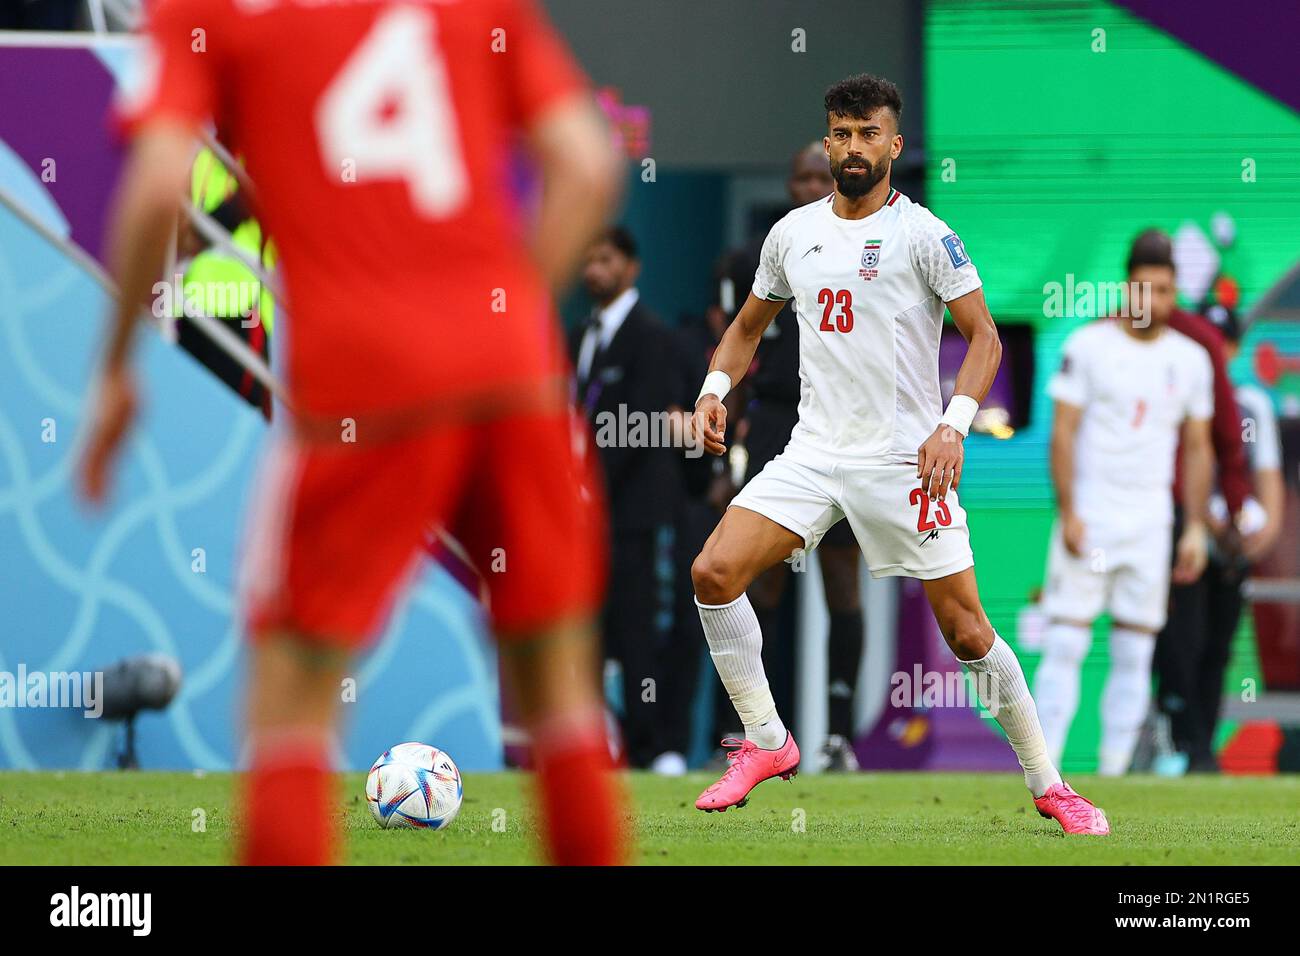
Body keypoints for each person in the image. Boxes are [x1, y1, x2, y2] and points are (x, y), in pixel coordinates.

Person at [79, 0, 624, 865]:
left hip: (362, 383)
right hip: (515, 377)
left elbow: (156, 187)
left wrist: (113, 368)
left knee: (291, 705)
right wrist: (505, 313)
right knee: (558, 696)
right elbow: (589, 165)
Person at [688, 73, 1108, 834]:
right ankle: (768, 740)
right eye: (841, 133)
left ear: (894, 143)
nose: (852, 147)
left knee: (968, 632)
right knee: (713, 574)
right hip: (813, 452)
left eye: (867, 133)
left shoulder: (925, 235)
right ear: (828, 139)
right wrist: (716, 385)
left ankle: (1050, 784)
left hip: (903, 460)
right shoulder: (793, 234)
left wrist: (953, 424)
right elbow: (749, 326)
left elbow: (983, 336)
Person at [1033, 231, 1215, 776]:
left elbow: (1200, 447)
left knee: (1137, 650)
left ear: (1175, 292)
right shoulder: (1089, 346)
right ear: (1127, 287)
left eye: (1164, 291)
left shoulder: (1191, 359)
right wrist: (1068, 510)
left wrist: (1195, 529)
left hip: (1151, 524)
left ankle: (1113, 772)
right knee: (1066, 640)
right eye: (1145, 288)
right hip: (1091, 517)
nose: (1154, 301)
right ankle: (1044, 772)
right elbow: (1063, 433)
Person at [718, 142, 865, 772]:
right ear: (788, 181)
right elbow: (737, 339)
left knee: (841, 583)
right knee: (757, 581)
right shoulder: (765, 252)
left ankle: (836, 737)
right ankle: (754, 730)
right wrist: (726, 436)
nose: (808, 185)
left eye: (817, 174)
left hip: (847, 427)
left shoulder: (866, 248)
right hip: (779, 424)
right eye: (799, 175)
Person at [572, 225, 686, 769]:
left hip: (633, 512)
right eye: (589, 259)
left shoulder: (652, 337)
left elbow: (638, 425)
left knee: (637, 629)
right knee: (582, 631)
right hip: (579, 516)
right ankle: (593, 746)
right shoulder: (577, 337)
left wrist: (586, 480)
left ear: (631, 267)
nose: (594, 270)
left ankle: (654, 745)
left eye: (606, 259)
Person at [1155, 303, 1285, 771]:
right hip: (1188, 538)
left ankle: (1202, 748)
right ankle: (1179, 743)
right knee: (1178, 642)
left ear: (1232, 347)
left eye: (1221, 340)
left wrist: (1259, 535)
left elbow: (1265, 479)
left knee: (1218, 647)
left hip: (1232, 546)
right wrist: (1207, 521)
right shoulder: (1178, 395)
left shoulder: (1251, 405)